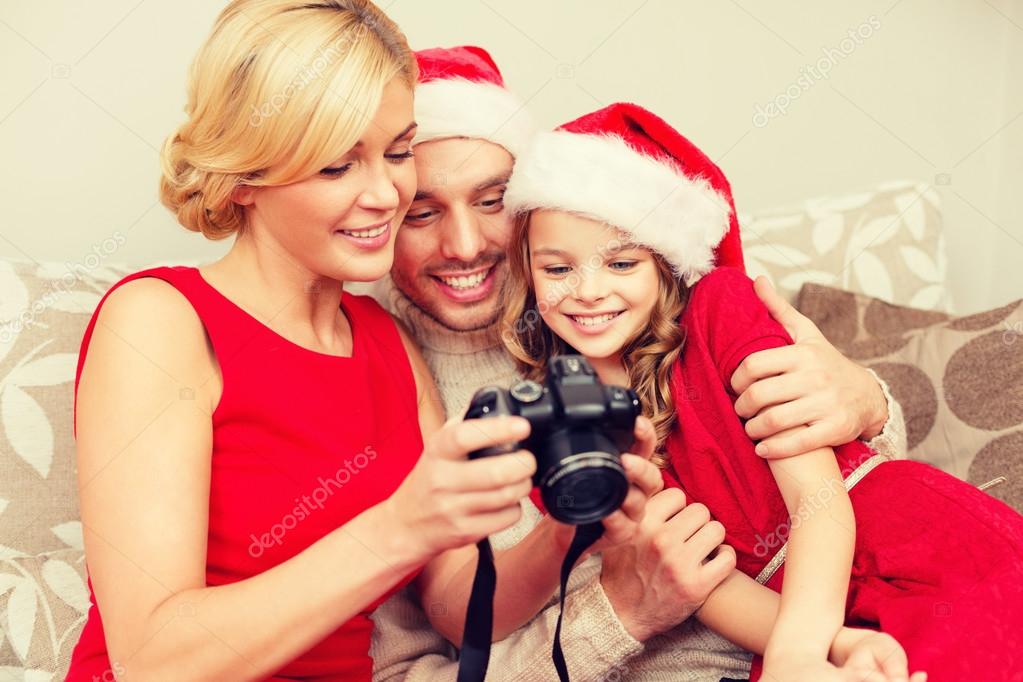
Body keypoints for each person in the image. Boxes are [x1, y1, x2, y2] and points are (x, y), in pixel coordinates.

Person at [64, 4, 658, 680]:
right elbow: (151, 659)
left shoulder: (382, 339)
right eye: (337, 166)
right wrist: (400, 526)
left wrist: (567, 526)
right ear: (243, 176)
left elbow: (454, 602)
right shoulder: (161, 320)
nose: (388, 193)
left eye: (397, 151)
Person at [370, 47, 912, 682]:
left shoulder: (644, 316)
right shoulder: (380, 379)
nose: (464, 246)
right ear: (381, 216)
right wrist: (619, 612)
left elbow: (829, 475)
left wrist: (868, 402)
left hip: (818, 620)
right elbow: (424, 659)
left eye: (491, 201)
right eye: (422, 213)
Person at [497, 101, 1023, 682]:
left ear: (666, 264)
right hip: (796, 615)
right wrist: (829, 649)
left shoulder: (722, 309)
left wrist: (799, 650)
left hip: (910, 549)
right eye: (558, 269)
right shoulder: (566, 425)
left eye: (622, 263)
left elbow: (818, 502)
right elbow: (705, 581)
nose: (588, 291)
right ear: (526, 271)